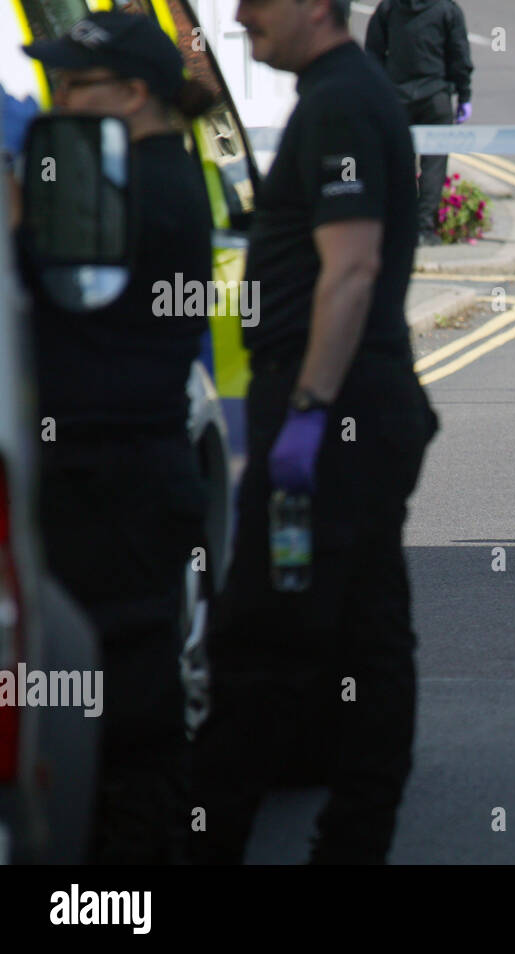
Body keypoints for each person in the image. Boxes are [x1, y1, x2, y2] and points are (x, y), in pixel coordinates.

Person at [191, 0, 439, 864]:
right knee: (365, 630)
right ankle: (352, 842)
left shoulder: (340, 100)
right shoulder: (339, 93)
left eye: (256, 0)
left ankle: (207, 842)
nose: (239, 14)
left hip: (339, 421)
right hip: (353, 414)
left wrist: (303, 418)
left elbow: (352, 268)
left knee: (259, 636)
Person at [18, 10, 217, 863]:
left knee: (125, 715)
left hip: (112, 476)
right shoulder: (152, 169)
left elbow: (38, 274)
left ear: (133, 94)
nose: (56, 101)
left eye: (75, 86)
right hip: (127, 468)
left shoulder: (131, 185)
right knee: (128, 698)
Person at [365, 0, 473, 245]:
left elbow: (373, 52)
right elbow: (459, 56)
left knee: (398, 164)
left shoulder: (389, 8)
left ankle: (400, 228)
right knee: (434, 165)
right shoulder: (447, 9)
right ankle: (424, 229)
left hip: (396, 98)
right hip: (436, 97)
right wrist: (464, 96)